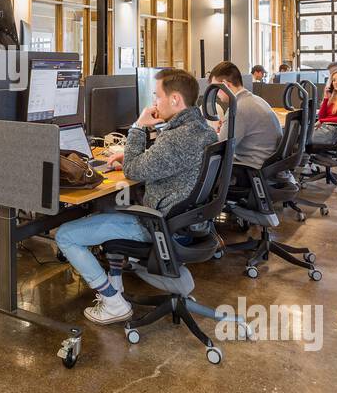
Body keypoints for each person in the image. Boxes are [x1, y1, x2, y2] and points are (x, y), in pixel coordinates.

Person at [56, 69, 217, 326]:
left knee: (65, 235)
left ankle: (113, 302)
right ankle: (116, 283)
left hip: (160, 226)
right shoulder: (202, 130)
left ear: (175, 100)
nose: (154, 103)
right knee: (110, 206)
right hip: (189, 223)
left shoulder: (176, 138)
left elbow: (134, 170)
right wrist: (137, 158)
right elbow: (164, 161)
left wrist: (138, 127)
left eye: (157, 97)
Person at [207, 61, 281, 172]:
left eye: (216, 88)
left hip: (251, 168)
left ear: (225, 84)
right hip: (266, 163)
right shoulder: (253, 100)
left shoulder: (238, 108)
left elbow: (220, 148)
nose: (216, 94)